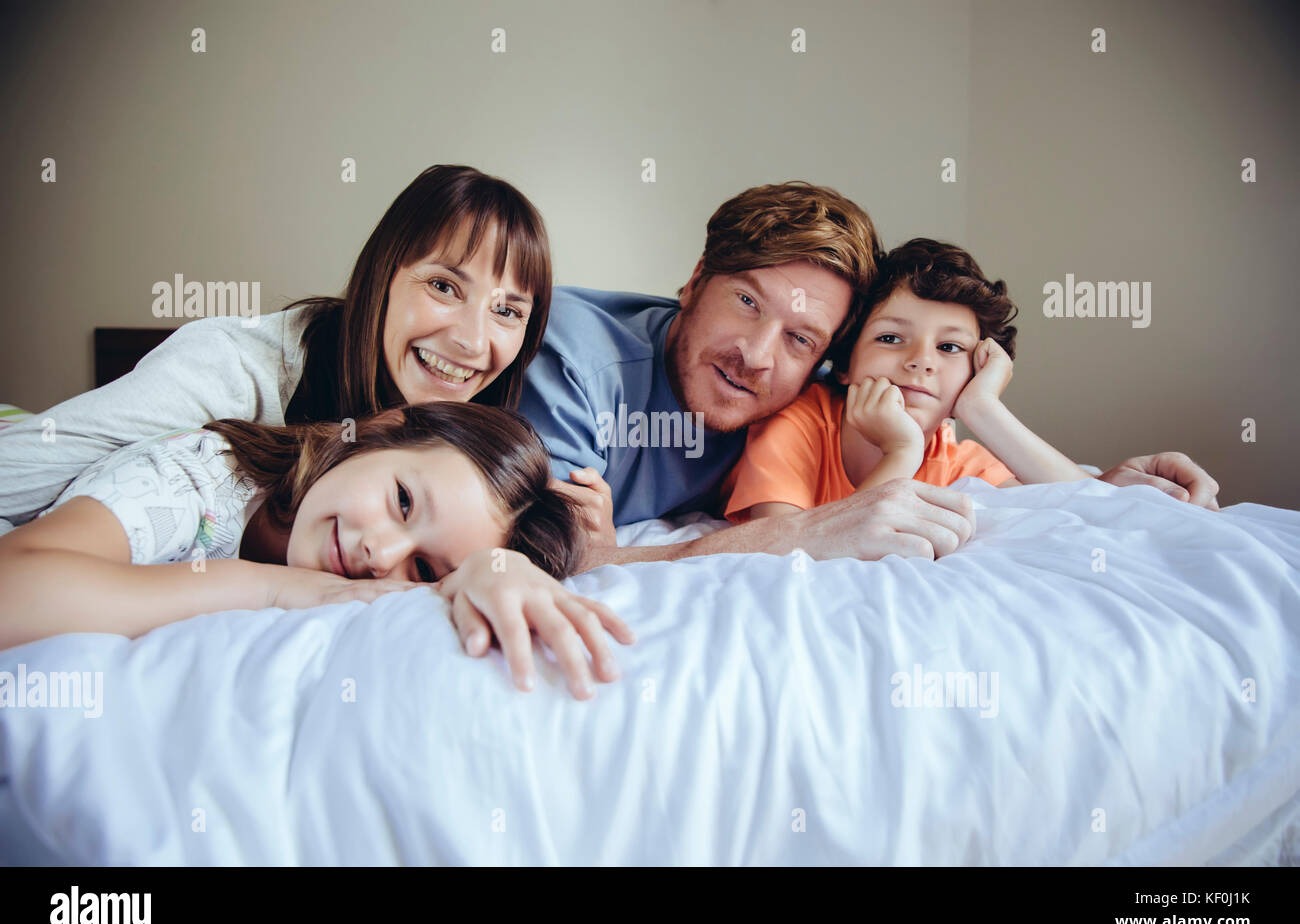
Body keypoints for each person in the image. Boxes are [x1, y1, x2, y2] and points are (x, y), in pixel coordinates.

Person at [0, 164, 627, 670]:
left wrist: (507, 563)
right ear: (383, 276)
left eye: (508, 311)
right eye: (443, 286)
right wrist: (271, 588)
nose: (470, 340)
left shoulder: (462, 433)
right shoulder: (227, 394)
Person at [519, 180, 1221, 580]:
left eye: (800, 337)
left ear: (829, 359)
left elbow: (924, 409)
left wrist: (1106, 488)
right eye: (745, 301)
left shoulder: (827, 389)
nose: (758, 357)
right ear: (695, 280)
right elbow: (548, 556)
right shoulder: (574, 359)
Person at [0, 402, 630, 700]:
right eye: (403, 501)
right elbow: (13, 590)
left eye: (424, 569)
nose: (380, 555)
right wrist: (269, 588)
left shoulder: (381, 576)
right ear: (380, 432)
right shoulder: (196, 480)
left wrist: (498, 567)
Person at [722, 239, 1090, 521]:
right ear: (845, 361)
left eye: (949, 346)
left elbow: (1091, 505)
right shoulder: (797, 423)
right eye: (890, 338)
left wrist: (983, 408)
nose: (920, 361)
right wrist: (901, 453)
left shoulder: (951, 457)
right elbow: (787, 549)